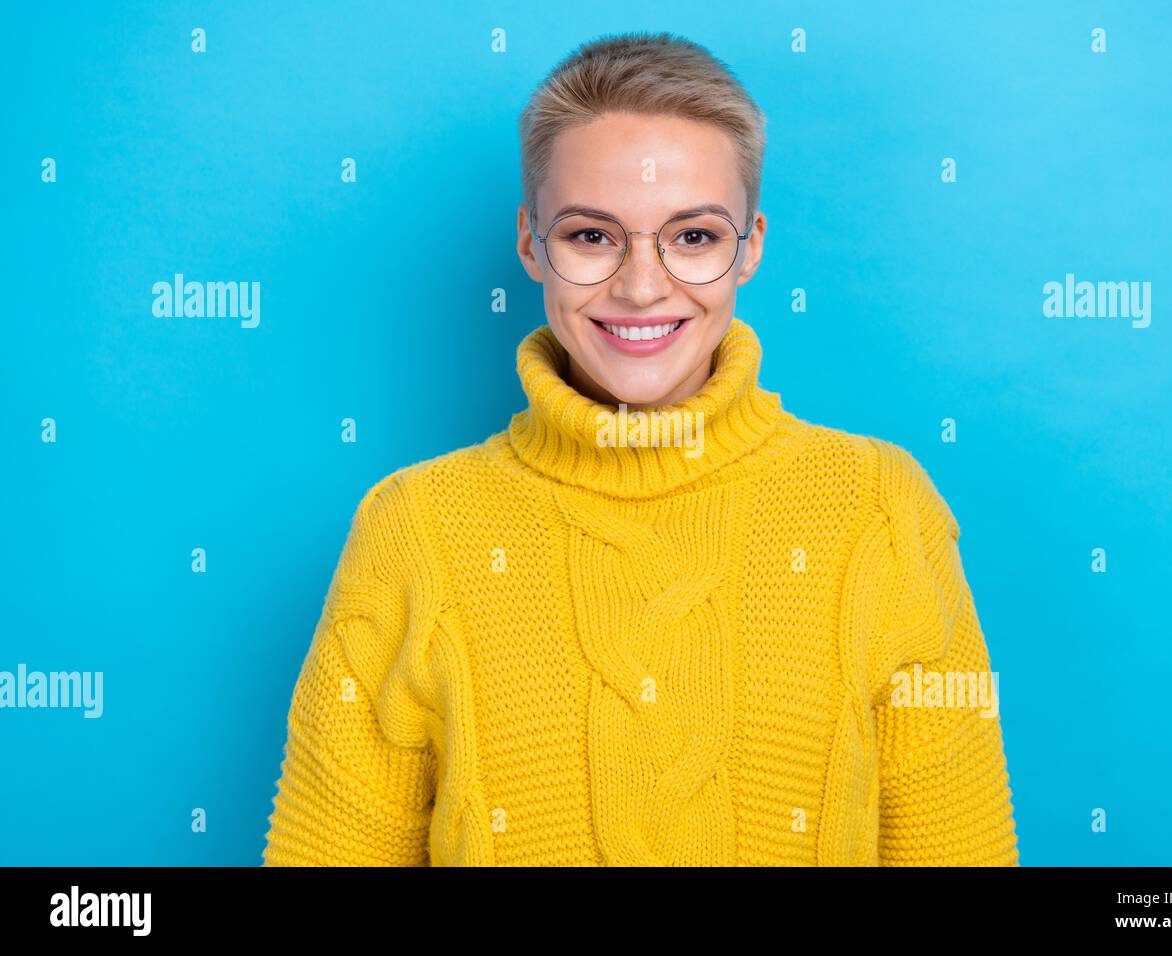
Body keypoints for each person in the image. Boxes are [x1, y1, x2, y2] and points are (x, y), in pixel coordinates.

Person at [262, 30, 1019, 867]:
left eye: (692, 236)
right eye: (593, 235)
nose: (641, 285)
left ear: (751, 247)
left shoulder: (880, 509)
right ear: (531, 243)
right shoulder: (416, 527)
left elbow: (962, 848)